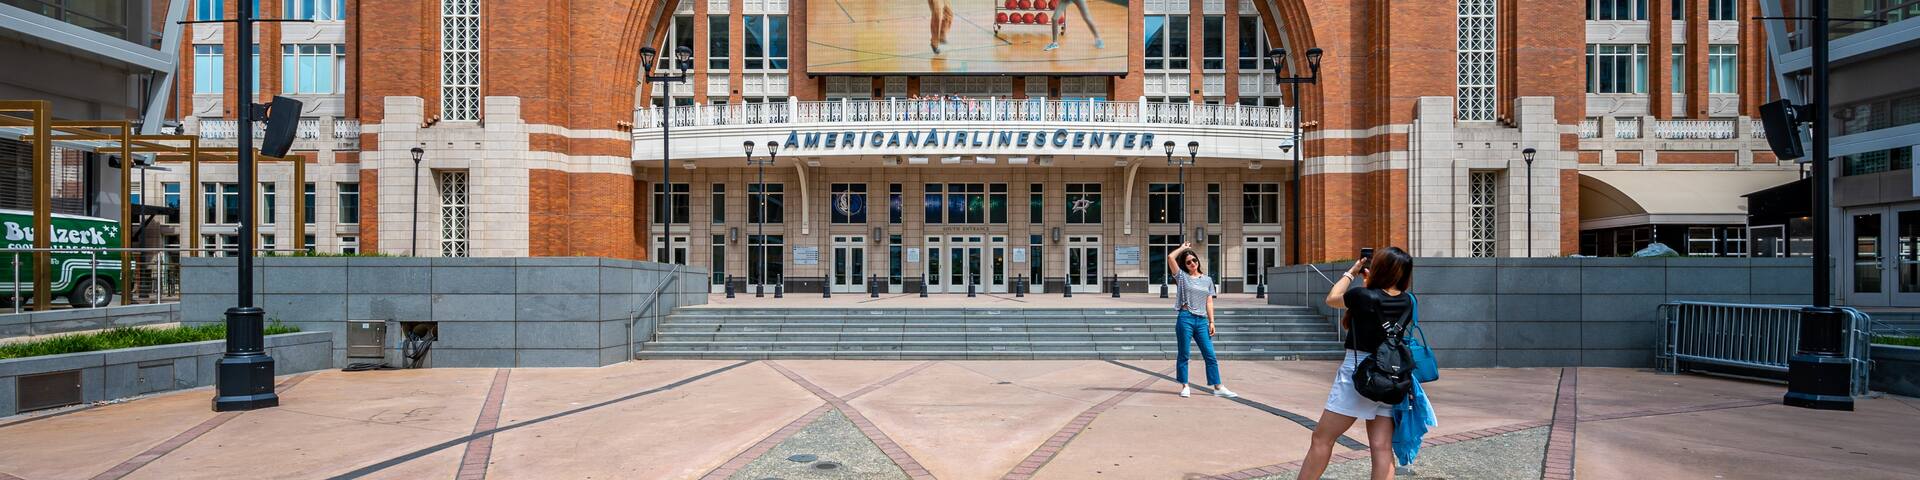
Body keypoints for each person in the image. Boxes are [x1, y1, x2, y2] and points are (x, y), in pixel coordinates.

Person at [1299, 247, 1415, 480]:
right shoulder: (1407, 301)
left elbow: (1332, 299)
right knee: (1381, 446)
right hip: (1391, 376)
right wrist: (1370, 283)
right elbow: (1380, 304)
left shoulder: (1363, 297)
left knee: (1322, 438)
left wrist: (1352, 272)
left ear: (1379, 268)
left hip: (1360, 372)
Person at [1167, 242, 1237, 399]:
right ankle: (1185, 385)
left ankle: (1218, 386)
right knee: (1184, 353)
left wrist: (1212, 321)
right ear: (1185, 265)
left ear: (1198, 261)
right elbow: (1170, 257)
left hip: (1201, 321)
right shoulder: (1182, 277)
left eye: (1194, 260)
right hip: (1185, 318)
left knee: (1210, 354)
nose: (1192, 263)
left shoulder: (1207, 280)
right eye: (1188, 262)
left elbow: (1209, 301)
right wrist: (1184, 248)